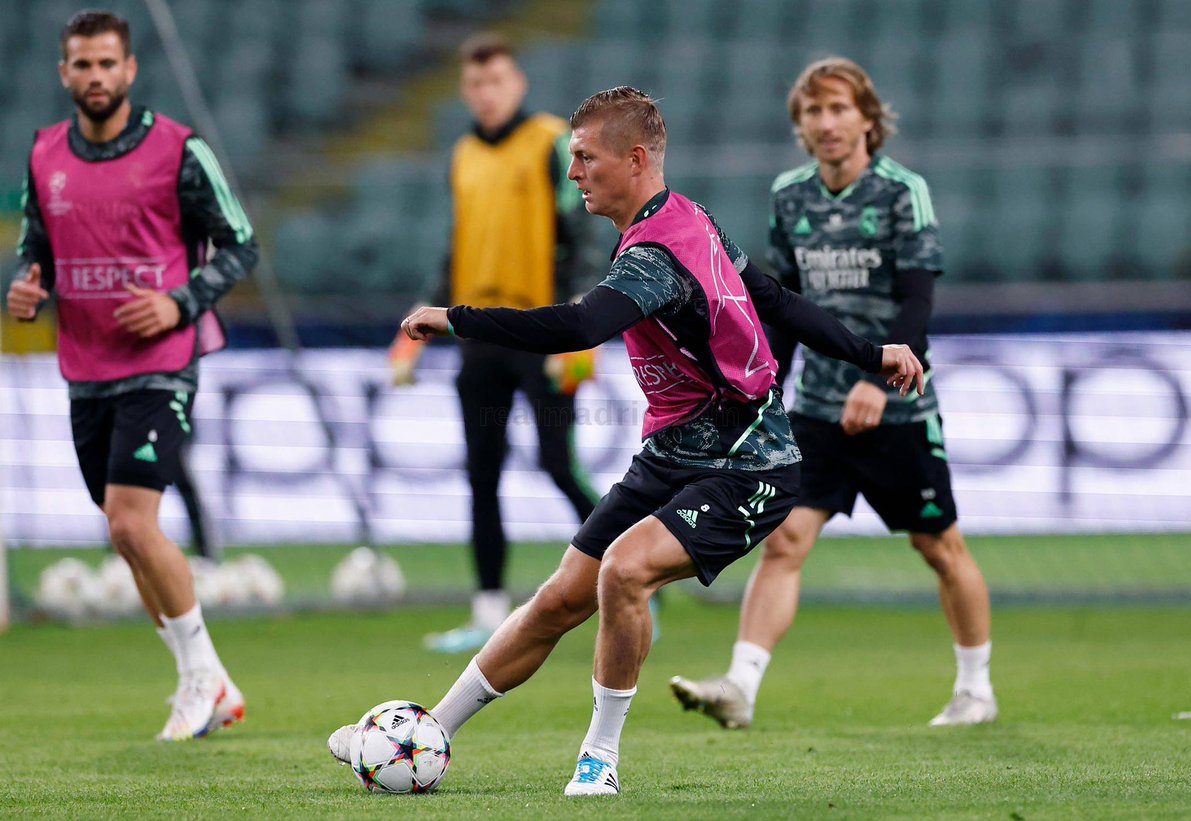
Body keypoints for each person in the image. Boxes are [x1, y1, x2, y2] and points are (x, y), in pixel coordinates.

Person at [328, 86, 925, 795]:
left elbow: (578, 327)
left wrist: (455, 318)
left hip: (749, 462)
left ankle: (598, 759)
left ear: (635, 158)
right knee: (557, 599)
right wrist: (871, 351)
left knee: (623, 569)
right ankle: (429, 731)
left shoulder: (654, 256)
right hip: (672, 453)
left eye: (583, 157)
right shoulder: (687, 219)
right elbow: (774, 299)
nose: (572, 172)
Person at [669, 57, 997, 730]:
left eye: (839, 108)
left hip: (897, 404)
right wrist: (764, 394)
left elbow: (918, 302)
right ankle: (741, 684)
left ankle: (976, 689)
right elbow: (784, 308)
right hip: (816, 408)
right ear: (800, 126)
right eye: (813, 112)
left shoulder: (903, 191)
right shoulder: (790, 196)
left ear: (869, 119)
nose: (826, 123)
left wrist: (879, 379)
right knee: (785, 541)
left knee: (939, 546)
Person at [6, 10, 255, 740]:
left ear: (130, 69)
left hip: (162, 363)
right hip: (84, 366)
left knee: (129, 521)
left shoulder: (180, 149)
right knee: (127, 536)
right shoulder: (44, 153)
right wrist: (28, 288)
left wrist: (179, 301)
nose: (95, 77)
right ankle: (209, 681)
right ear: (64, 74)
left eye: (106, 64)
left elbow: (240, 246)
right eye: (81, 65)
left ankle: (201, 681)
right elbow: (36, 250)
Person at [420, 33, 600, 654]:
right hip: (480, 335)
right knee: (481, 472)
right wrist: (428, 320)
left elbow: (579, 233)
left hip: (544, 335)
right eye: (475, 85)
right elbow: (457, 244)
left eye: (496, 81)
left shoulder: (551, 142)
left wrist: (581, 329)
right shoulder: (464, 154)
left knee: (557, 462)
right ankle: (488, 608)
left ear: (517, 83)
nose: (486, 94)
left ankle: (634, 564)